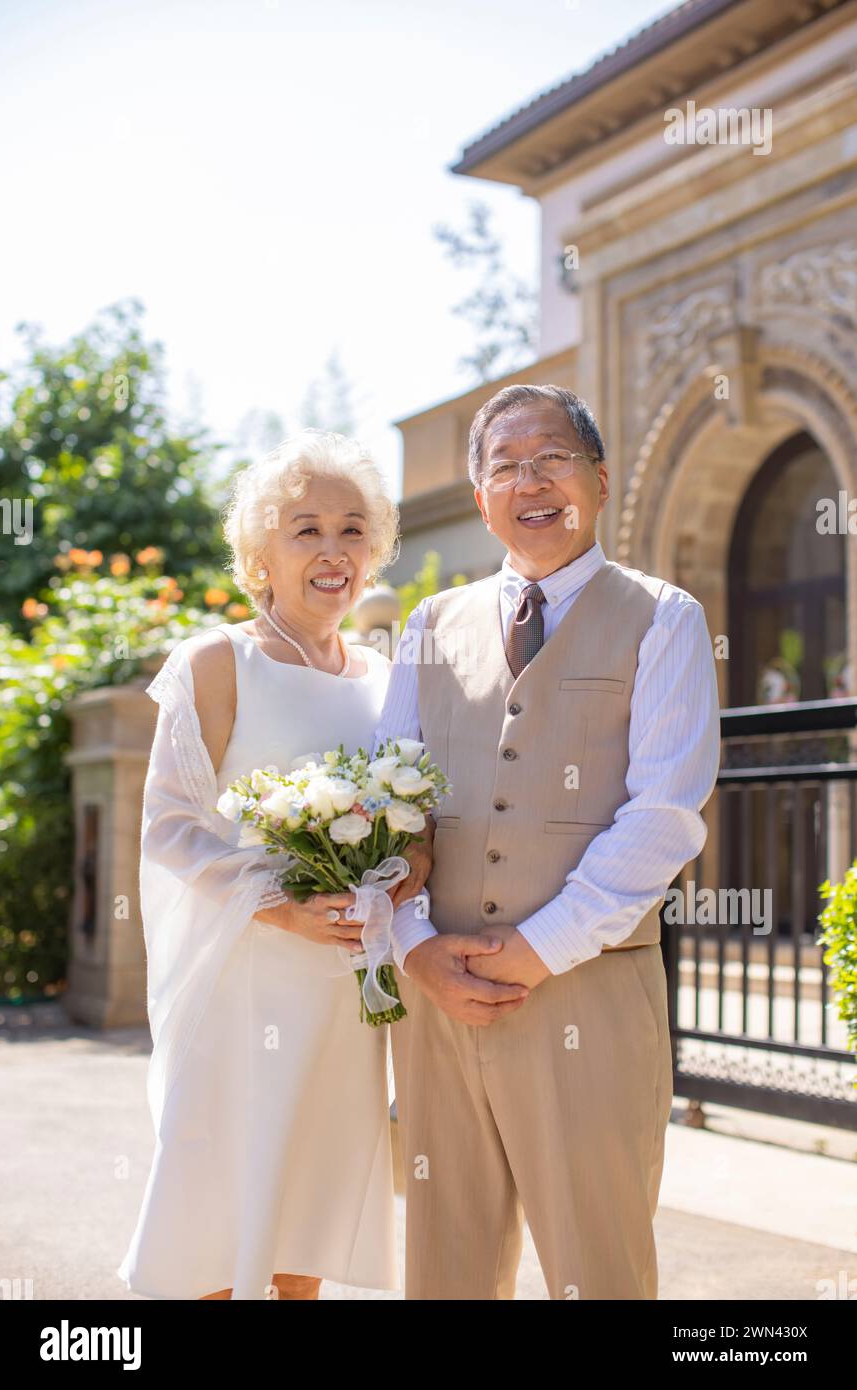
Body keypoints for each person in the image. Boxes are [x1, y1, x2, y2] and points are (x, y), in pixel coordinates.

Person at [375, 384, 721, 1300]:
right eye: (503, 464)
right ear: (480, 495)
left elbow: (664, 812)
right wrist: (415, 951)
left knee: (598, 1265)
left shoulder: (665, 617)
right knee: (442, 1268)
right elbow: (387, 803)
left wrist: (537, 950)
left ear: (599, 481)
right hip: (436, 998)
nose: (529, 480)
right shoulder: (426, 627)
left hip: (589, 994)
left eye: (552, 457)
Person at [117, 428, 456, 1300]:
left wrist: (409, 857)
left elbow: (412, 816)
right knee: (222, 1197)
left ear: (376, 549)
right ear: (259, 551)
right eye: (305, 528)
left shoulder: (387, 678)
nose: (333, 550)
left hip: (345, 985)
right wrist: (275, 904)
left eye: (353, 529)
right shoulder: (216, 663)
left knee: (313, 1191)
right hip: (246, 977)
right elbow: (169, 824)